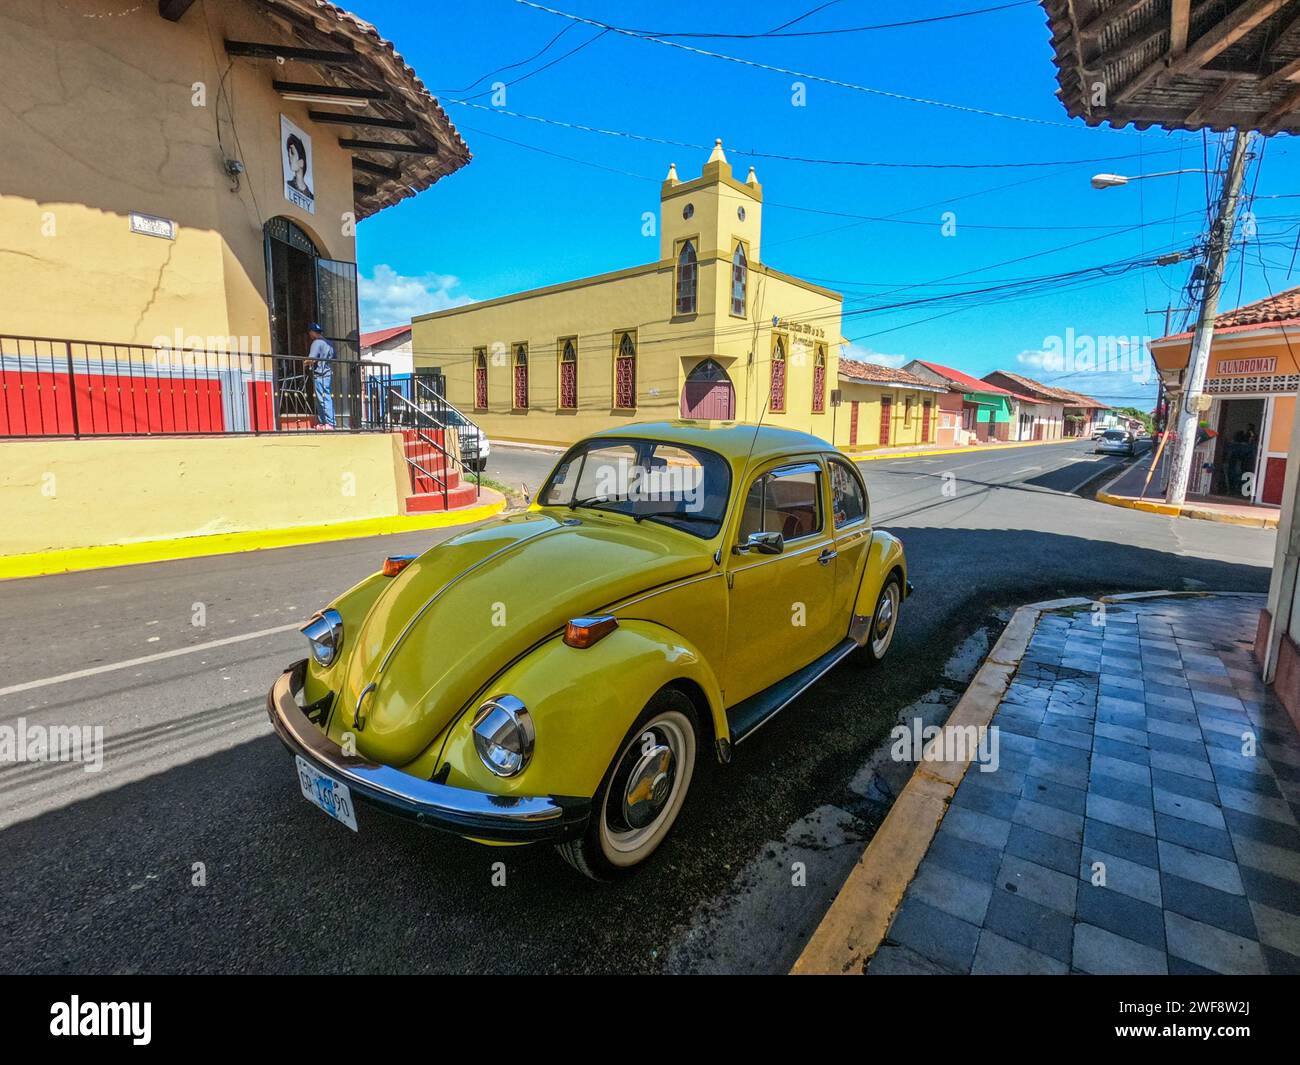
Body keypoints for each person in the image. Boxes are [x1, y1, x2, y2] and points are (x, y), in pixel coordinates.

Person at [305, 324, 335, 429]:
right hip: (327, 372)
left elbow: (311, 359)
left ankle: (328, 423)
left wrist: (304, 362)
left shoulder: (316, 343)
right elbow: (334, 357)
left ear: (312, 332)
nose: (310, 335)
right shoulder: (329, 343)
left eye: (310, 333)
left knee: (322, 398)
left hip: (320, 374)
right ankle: (325, 423)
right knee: (325, 397)